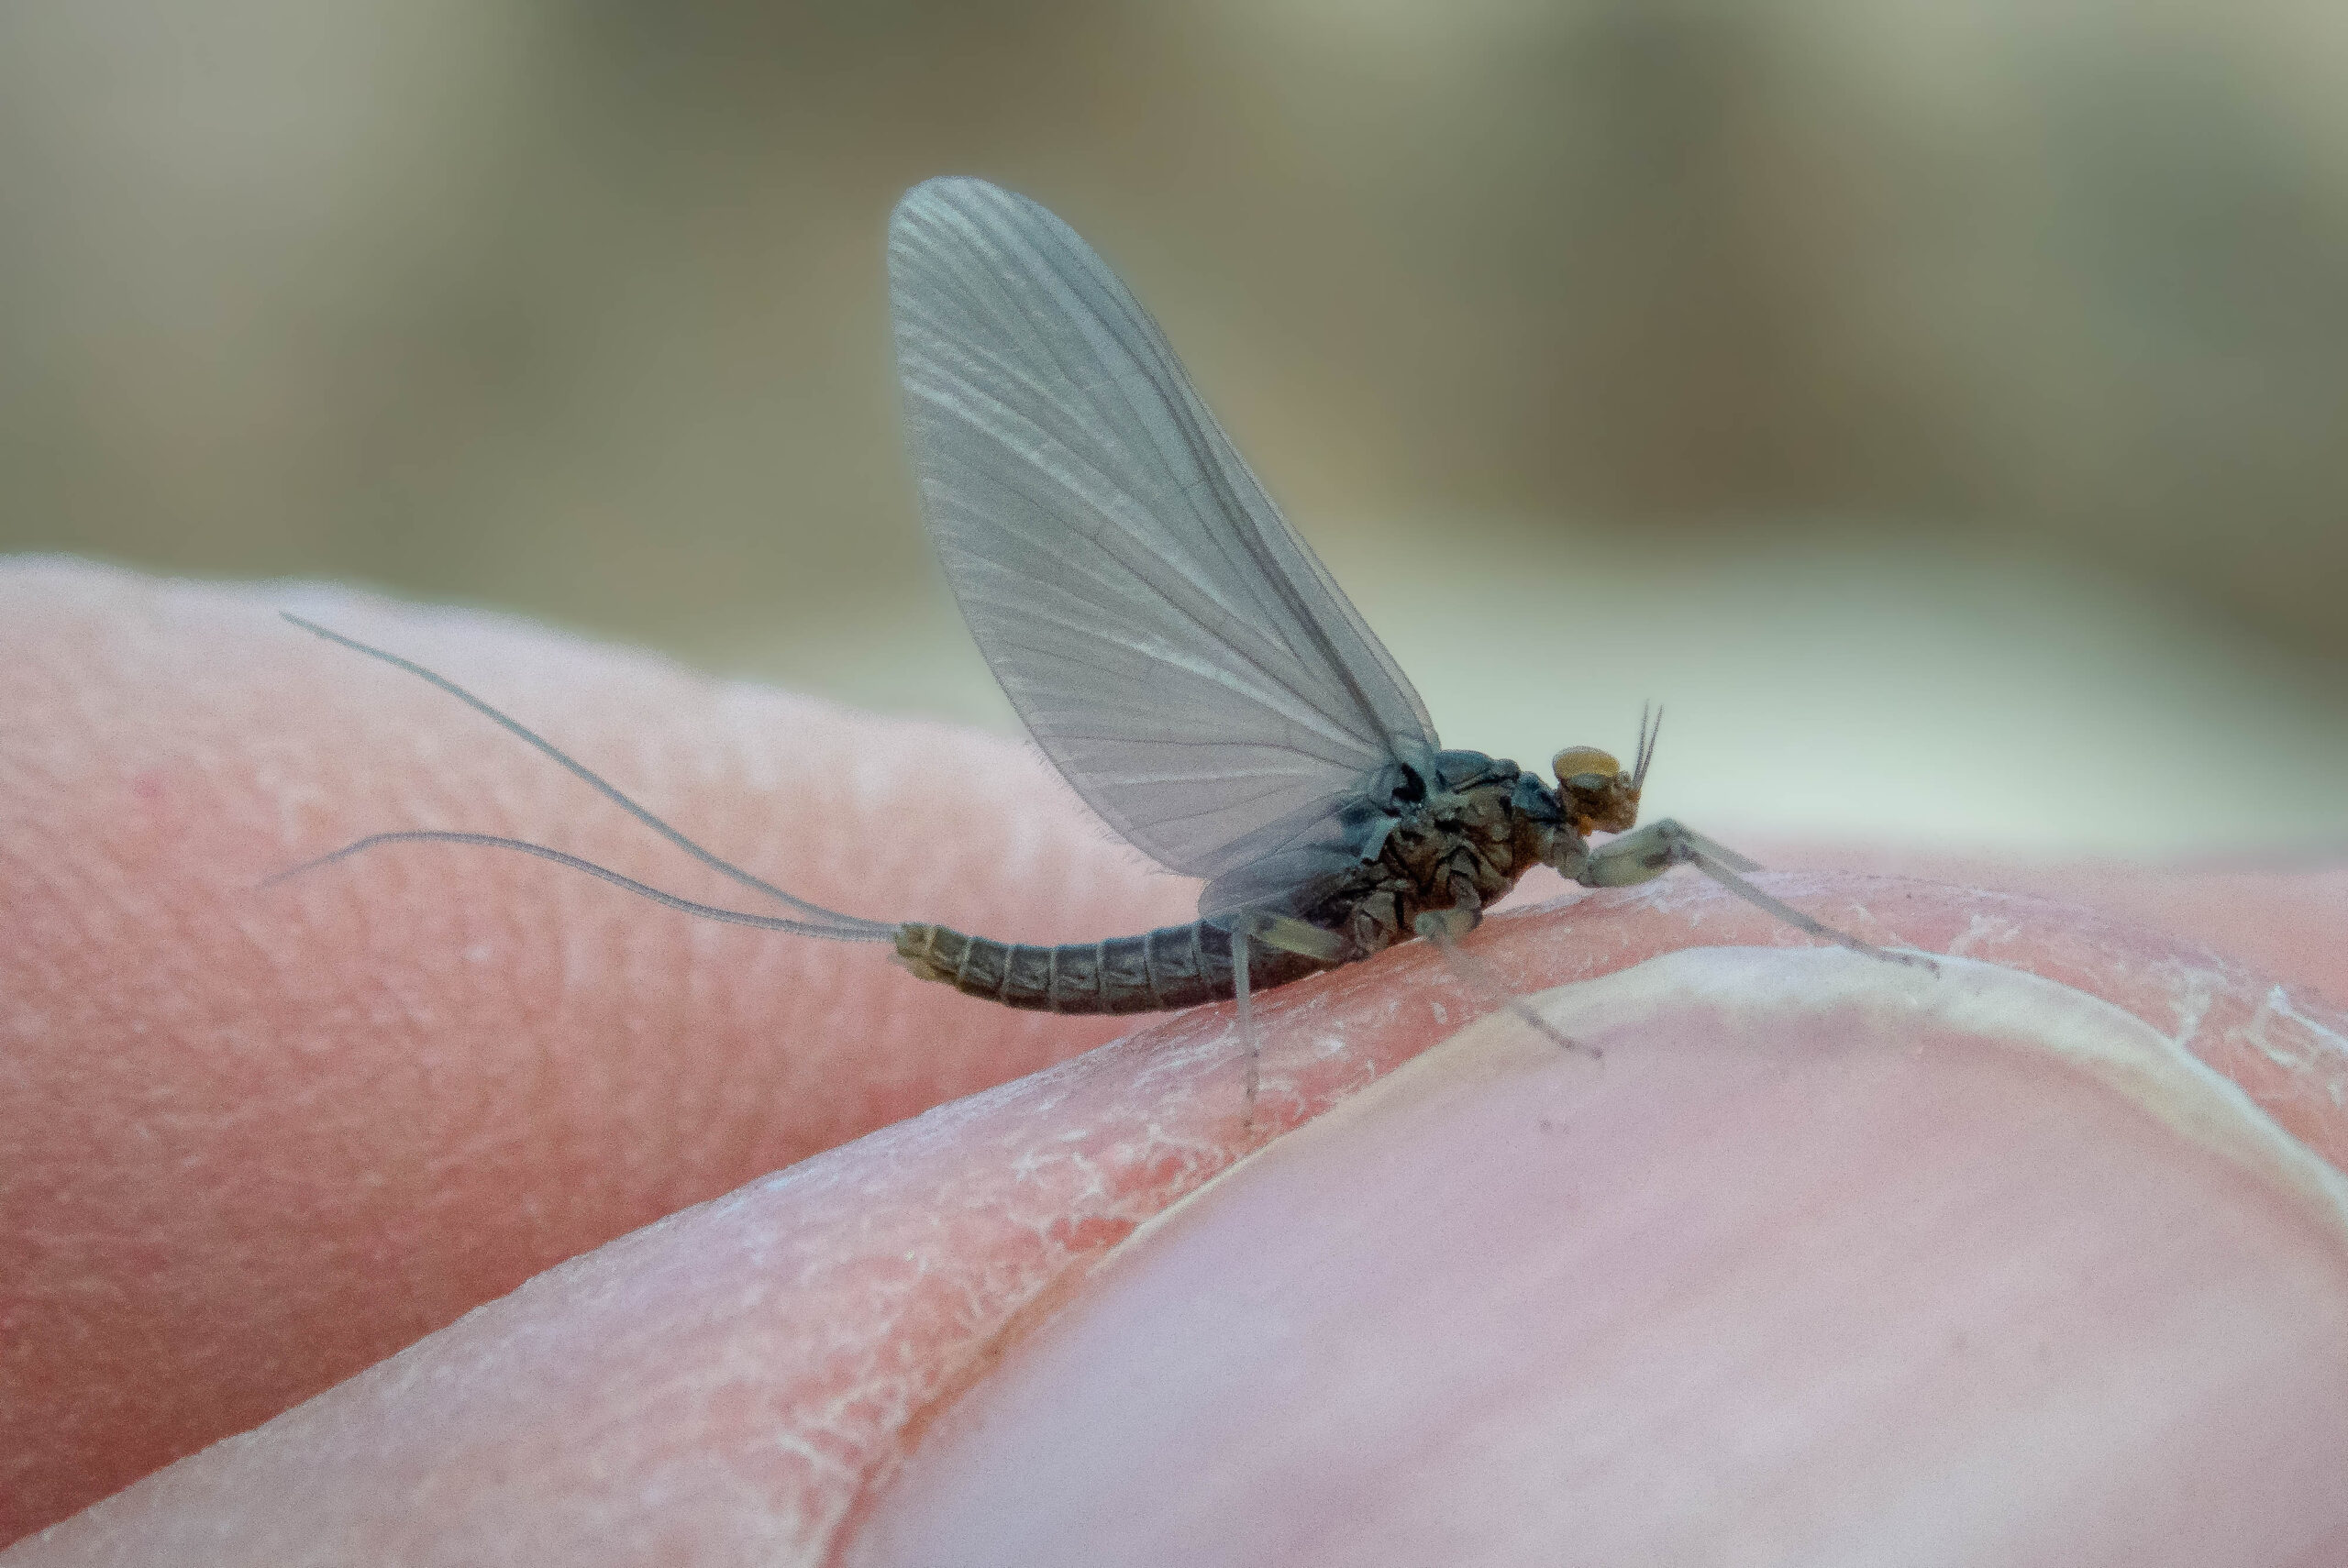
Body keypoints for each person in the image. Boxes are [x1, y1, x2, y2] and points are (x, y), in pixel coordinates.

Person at [7, 561, 2346, 1563]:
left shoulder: (1502, 857)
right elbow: (1324, 958)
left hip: (1272, 944)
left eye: (1591, 817)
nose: (1597, 822)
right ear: (1546, 819)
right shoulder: (1453, 847)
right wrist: (1414, 1035)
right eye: (1587, 810)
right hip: (1191, 965)